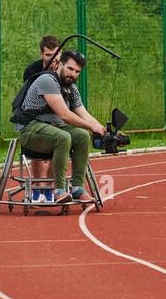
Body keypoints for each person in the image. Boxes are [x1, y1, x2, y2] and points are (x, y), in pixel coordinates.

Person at [12, 50, 106, 204]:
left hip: (54, 128)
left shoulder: (71, 88)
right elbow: (65, 115)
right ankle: (59, 190)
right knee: (63, 137)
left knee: (82, 135)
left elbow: (84, 114)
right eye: (70, 69)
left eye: (77, 72)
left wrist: (102, 129)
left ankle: (77, 188)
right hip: (30, 129)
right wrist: (91, 125)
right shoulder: (47, 80)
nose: (73, 74)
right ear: (59, 64)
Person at [21, 35, 61, 200]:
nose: (52, 58)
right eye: (47, 55)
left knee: (60, 139)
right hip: (34, 116)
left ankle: (49, 188)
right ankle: (37, 187)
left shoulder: (63, 71)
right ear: (41, 54)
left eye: (55, 55)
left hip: (56, 116)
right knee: (38, 143)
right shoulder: (31, 71)